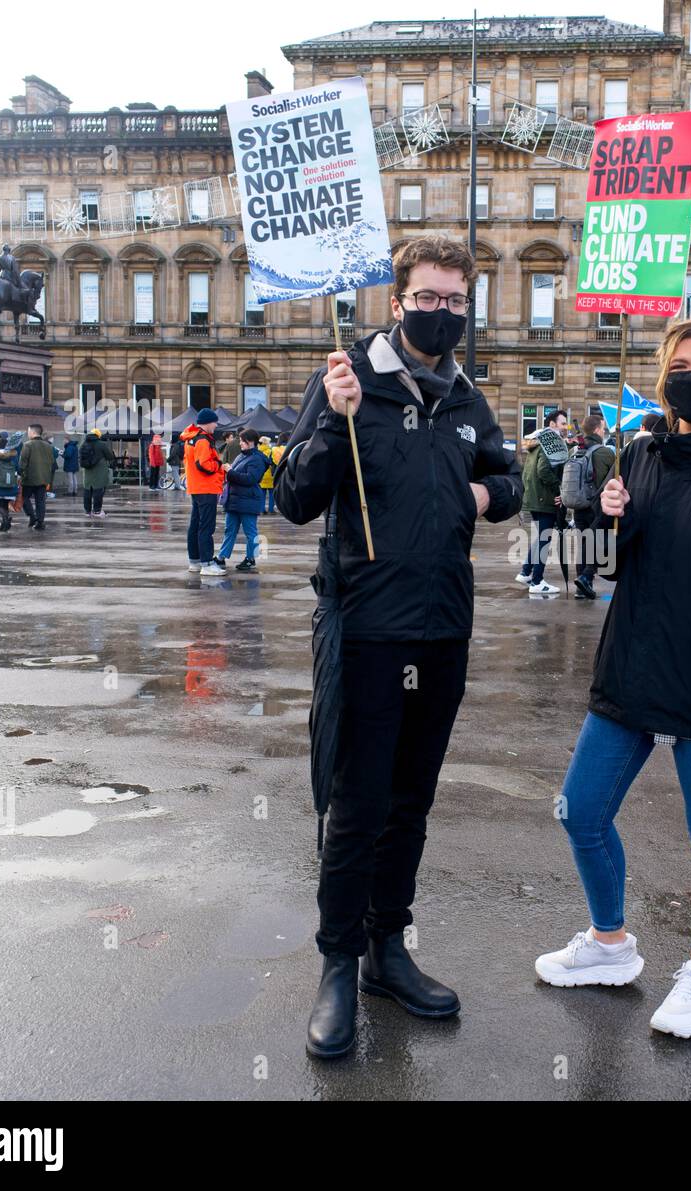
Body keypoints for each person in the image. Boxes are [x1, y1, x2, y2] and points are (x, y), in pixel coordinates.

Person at [276, 235, 523, 1059]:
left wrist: (481, 491)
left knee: (412, 802)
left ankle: (389, 947)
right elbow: (292, 501)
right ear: (398, 301)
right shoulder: (346, 379)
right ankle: (338, 963)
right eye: (429, 297)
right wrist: (327, 426)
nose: (442, 312)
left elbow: (511, 483)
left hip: (444, 628)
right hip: (367, 631)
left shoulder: (465, 398)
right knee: (358, 804)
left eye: (456, 300)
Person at [534, 316, 691, 1040]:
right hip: (633, 666)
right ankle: (610, 944)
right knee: (580, 810)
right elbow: (616, 565)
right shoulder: (638, 455)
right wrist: (610, 517)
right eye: (682, 361)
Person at [515, 409, 568, 594]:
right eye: (562, 423)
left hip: (534, 497)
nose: (565, 427)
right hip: (545, 498)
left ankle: (526, 572)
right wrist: (559, 488)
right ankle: (537, 582)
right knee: (544, 539)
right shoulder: (551, 442)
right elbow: (543, 470)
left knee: (541, 537)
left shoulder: (538, 441)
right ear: (552, 424)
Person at [570, 414, 616, 600]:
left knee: (583, 544)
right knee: (598, 545)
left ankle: (581, 588)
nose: (604, 431)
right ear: (597, 430)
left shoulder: (574, 450)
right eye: (603, 428)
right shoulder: (604, 452)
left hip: (578, 505)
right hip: (596, 506)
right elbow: (611, 479)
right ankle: (585, 577)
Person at [216, 428, 269, 573]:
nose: (240, 443)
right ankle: (221, 557)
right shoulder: (242, 456)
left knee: (250, 532)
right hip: (235, 499)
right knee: (229, 530)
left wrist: (230, 471)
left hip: (248, 500)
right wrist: (231, 470)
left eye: (242, 441)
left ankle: (251, 559)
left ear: (250, 442)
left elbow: (250, 479)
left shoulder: (257, 459)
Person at [182, 408, 225, 573]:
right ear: (208, 423)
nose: (216, 425)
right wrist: (220, 465)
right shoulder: (202, 440)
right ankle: (207, 563)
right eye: (214, 422)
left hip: (196, 486)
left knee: (195, 525)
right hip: (206, 487)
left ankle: (195, 561)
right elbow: (204, 465)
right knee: (206, 526)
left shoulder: (191, 438)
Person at [18, 422, 56, 531]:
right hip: (44, 479)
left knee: (23, 498)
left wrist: (20, 474)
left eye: (28, 431)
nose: (28, 433)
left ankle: (32, 516)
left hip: (29, 478)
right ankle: (40, 522)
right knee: (40, 501)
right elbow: (52, 462)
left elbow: (22, 463)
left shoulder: (27, 445)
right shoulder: (48, 446)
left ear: (33, 432)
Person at [0, 432, 21, 531]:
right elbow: (18, 469)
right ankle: (4, 524)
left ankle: (6, 518)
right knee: (5, 504)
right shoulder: (13, 455)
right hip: (10, 484)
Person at [79, 428, 115, 518]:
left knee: (87, 491)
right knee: (98, 491)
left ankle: (87, 511)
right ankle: (97, 511)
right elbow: (110, 456)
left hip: (87, 472)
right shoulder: (102, 444)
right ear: (98, 436)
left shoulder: (83, 444)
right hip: (99, 471)